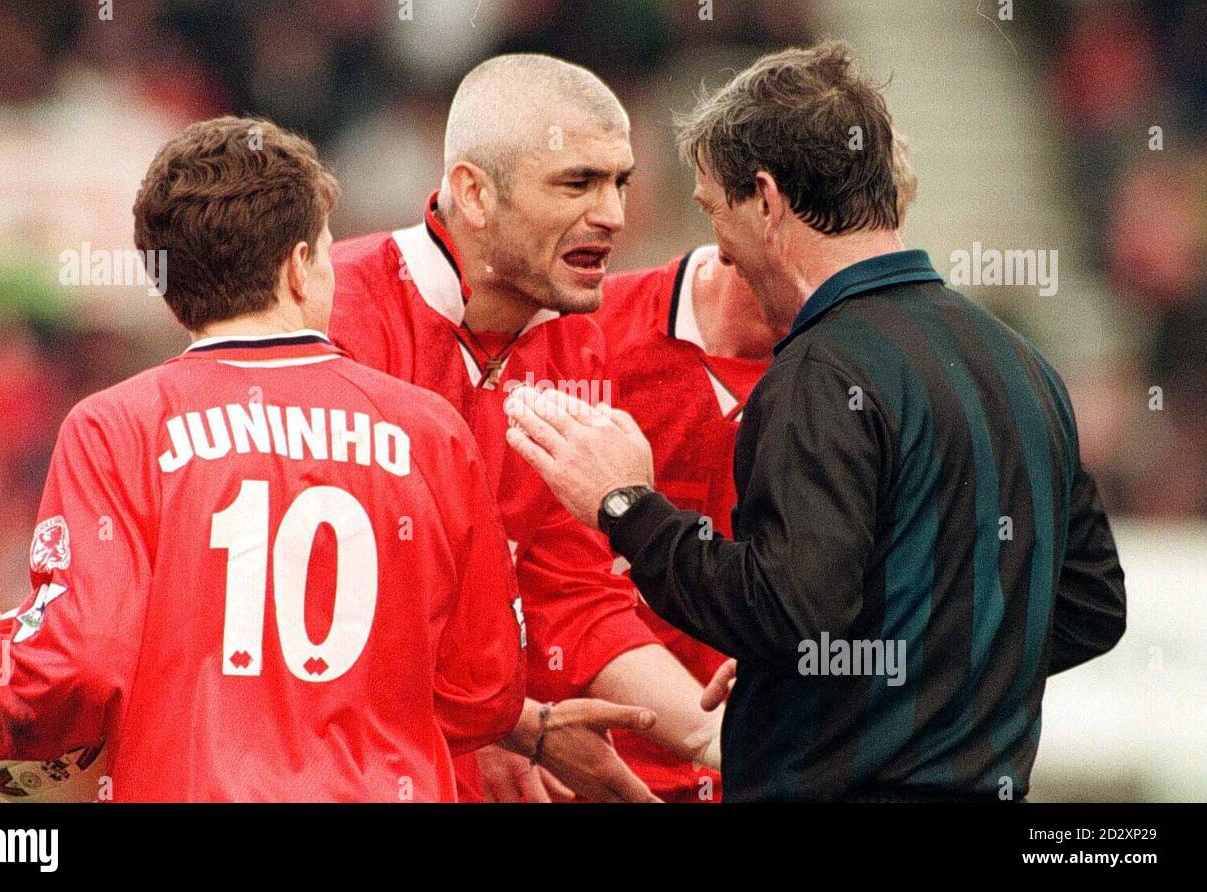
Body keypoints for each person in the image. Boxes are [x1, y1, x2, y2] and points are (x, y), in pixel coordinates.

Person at [505, 42, 1127, 802]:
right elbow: (1092, 605)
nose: (723, 253)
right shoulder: (1024, 365)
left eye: (713, 211)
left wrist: (627, 506)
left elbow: (792, 612)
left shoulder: (820, 370)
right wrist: (882, 675)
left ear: (765, 200)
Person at [0, 117, 526, 801]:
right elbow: (487, 691)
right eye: (327, 252)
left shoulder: (117, 426)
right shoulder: (431, 432)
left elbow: (76, 664)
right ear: (300, 266)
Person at [328, 53, 723, 801]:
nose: (611, 213)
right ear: (474, 193)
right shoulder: (340, 318)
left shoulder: (576, 342)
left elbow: (571, 594)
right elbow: (343, 602)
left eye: (620, 182)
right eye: (577, 182)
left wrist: (718, 737)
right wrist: (511, 726)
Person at [589, 128, 918, 802]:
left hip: (773, 776)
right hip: (593, 773)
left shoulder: (876, 382)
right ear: (771, 218)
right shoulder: (589, 334)